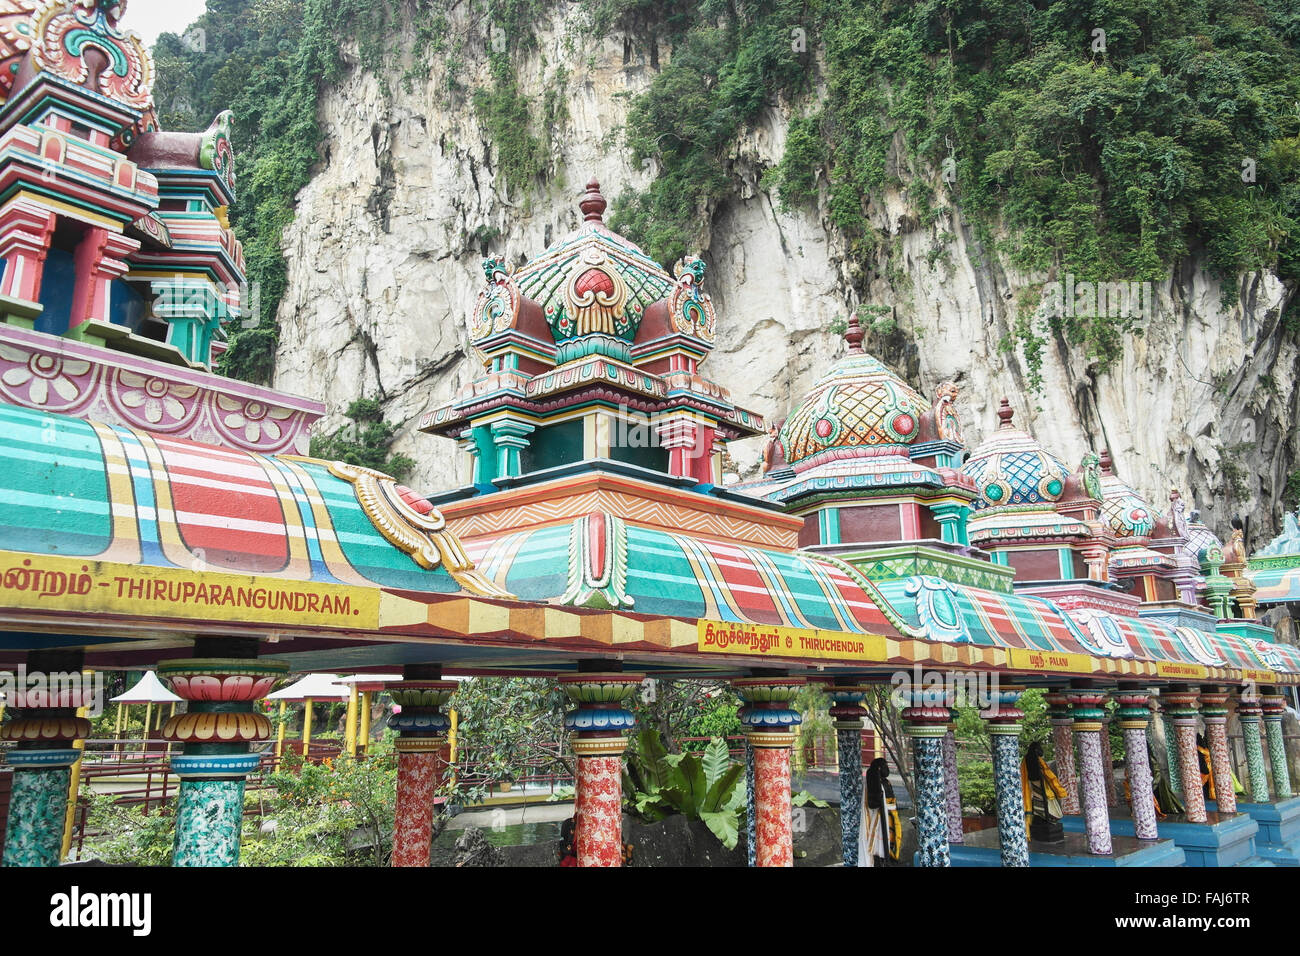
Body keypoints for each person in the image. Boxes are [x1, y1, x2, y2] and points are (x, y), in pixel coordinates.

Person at [1021, 741, 1066, 843]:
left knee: (1039, 804)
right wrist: (1059, 790)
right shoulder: (1037, 760)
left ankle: (1041, 819)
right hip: (1039, 786)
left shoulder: (1026, 760)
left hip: (1033, 785)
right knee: (1045, 804)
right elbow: (1049, 775)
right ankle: (1044, 819)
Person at [860, 757, 901, 866]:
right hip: (881, 817)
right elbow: (873, 803)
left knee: (894, 840)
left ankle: (890, 860)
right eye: (884, 766)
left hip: (892, 815)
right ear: (879, 768)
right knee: (880, 844)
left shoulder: (886, 782)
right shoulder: (875, 782)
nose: (886, 768)